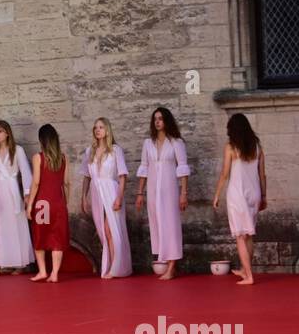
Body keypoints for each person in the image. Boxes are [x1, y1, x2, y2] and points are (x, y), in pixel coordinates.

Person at [135, 106, 190, 280]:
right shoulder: (147, 143)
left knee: (171, 224)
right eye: (155, 119)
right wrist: (139, 193)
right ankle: (166, 262)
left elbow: (182, 168)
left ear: (167, 121)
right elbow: (144, 167)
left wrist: (183, 194)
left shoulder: (176, 142)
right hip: (152, 191)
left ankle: (172, 266)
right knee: (157, 224)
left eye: (160, 118)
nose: (157, 122)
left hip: (169, 190)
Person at [212, 113, 266, 285]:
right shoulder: (256, 147)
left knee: (240, 236)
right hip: (254, 194)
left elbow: (224, 174)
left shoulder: (231, 147)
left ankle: (249, 276)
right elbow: (262, 174)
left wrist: (216, 195)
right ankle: (245, 269)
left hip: (238, 194)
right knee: (249, 234)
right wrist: (264, 195)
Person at [0, 120, 35, 275]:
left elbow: (25, 172)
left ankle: (20, 264)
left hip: (12, 195)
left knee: (15, 227)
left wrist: (26, 194)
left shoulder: (18, 150)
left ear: (7, 133)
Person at [80, 117, 131, 279]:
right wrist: (83, 197)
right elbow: (87, 177)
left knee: (111, 229)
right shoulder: (90, 151)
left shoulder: (116, 150)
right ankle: (113, 264)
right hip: (96, 192)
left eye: (101, 127)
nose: (97, 130)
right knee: (102, 231)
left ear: (107, 130)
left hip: (111, 190)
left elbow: (123, 176)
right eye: (95, 127)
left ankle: (115, 268)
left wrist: (119, 198)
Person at [26, 123, 69, 282]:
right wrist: (66, 202)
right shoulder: (63, 158)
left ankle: (43, 271)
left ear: (41, 140)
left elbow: (36, 182)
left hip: (42, 203)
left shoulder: (38, 157)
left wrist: (30, 204)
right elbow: (66, 182)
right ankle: (55, 273)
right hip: (58, 202)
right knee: (57, 238)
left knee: (39, 236)